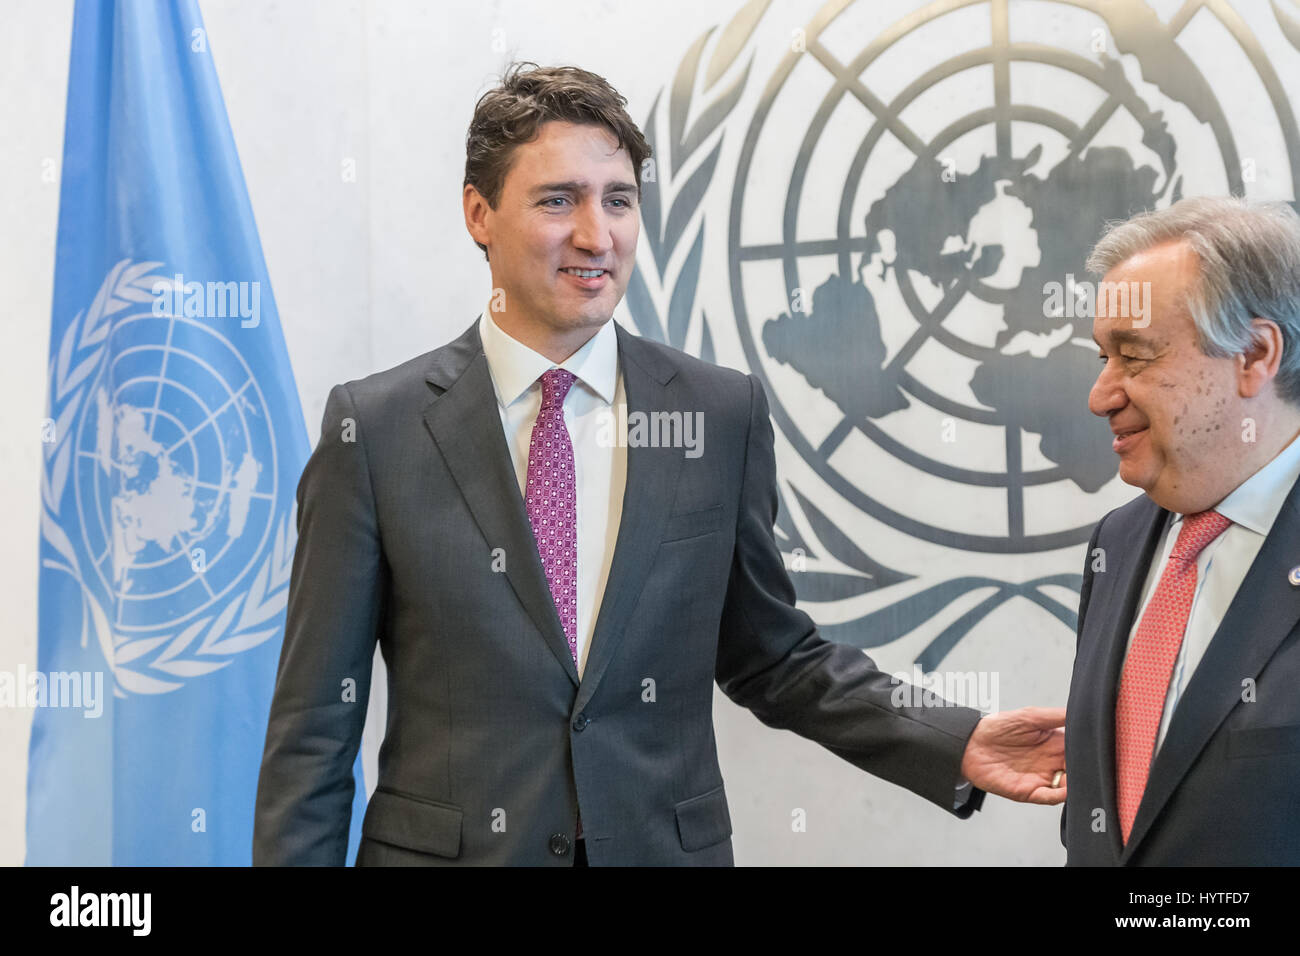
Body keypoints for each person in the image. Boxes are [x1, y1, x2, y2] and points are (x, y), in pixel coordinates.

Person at [253, 61, 1066, 867]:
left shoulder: (720, 415)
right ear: (479, 214)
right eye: (557, 200)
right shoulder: (377, 430)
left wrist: (954, 735)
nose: (595, 236)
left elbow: (776, 659)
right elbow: (315, 728)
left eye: (618, 201)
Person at [1065, 195, 1300, 865]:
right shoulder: (1116, 545)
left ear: (1254, 354)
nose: (1100, 395)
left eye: (1134, 357)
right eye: (1102, 358)